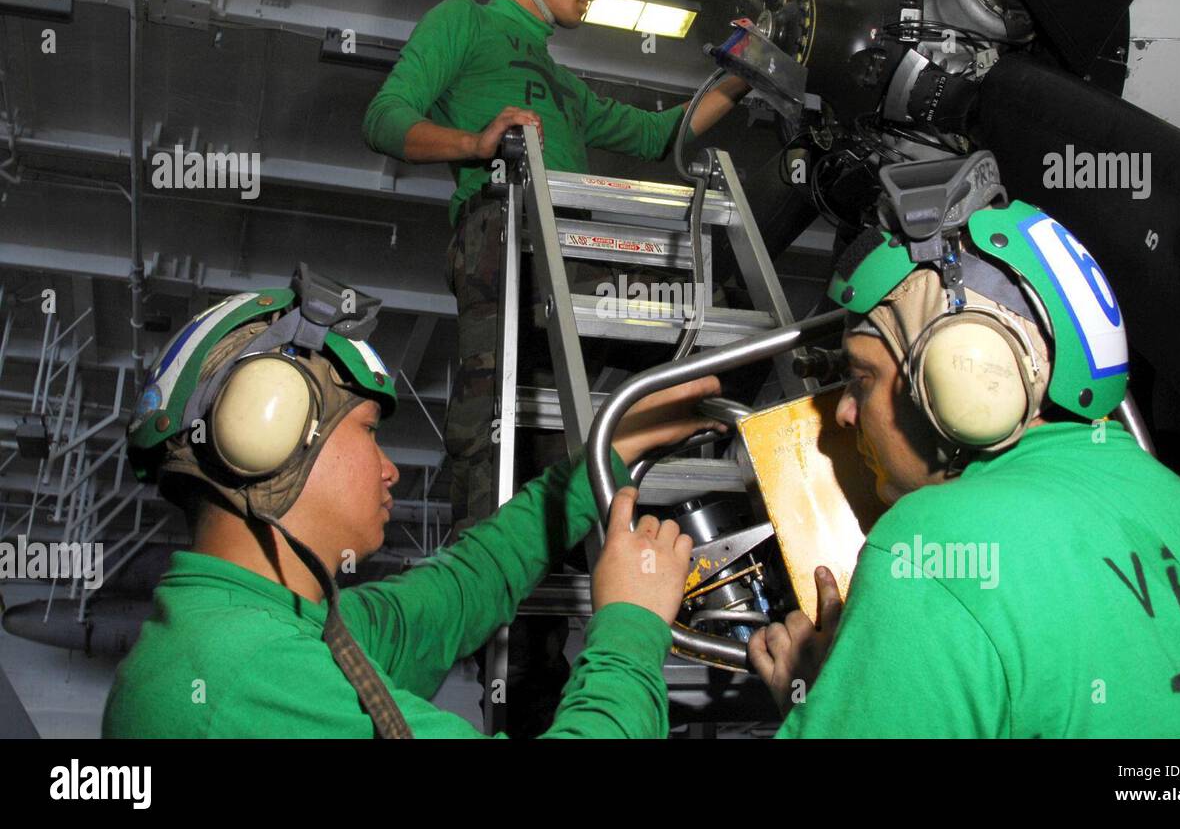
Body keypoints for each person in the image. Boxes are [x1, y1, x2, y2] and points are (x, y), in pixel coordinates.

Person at [361, 0, 748, 733]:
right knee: (504, 430)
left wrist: (746, 71)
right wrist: (477, 142)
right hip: (504, 233)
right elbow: (385, 118)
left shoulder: (565, 88)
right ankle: (512, 640)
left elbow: (658, 135)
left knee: (601, 421)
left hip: (578, 250)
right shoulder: (464, 22)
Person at [750, 155, 1180, 738]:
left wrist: (819, 697)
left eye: (861, 379)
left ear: (964, 374)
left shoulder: (931, 546)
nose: (844, 411)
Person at [103, 265, 722, 738]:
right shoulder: (244, 676)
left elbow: (463, 588)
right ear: (271, 431)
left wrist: (613, 445)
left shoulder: (271, 627)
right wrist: (630, 629)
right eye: (370, 430)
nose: (391, 469)